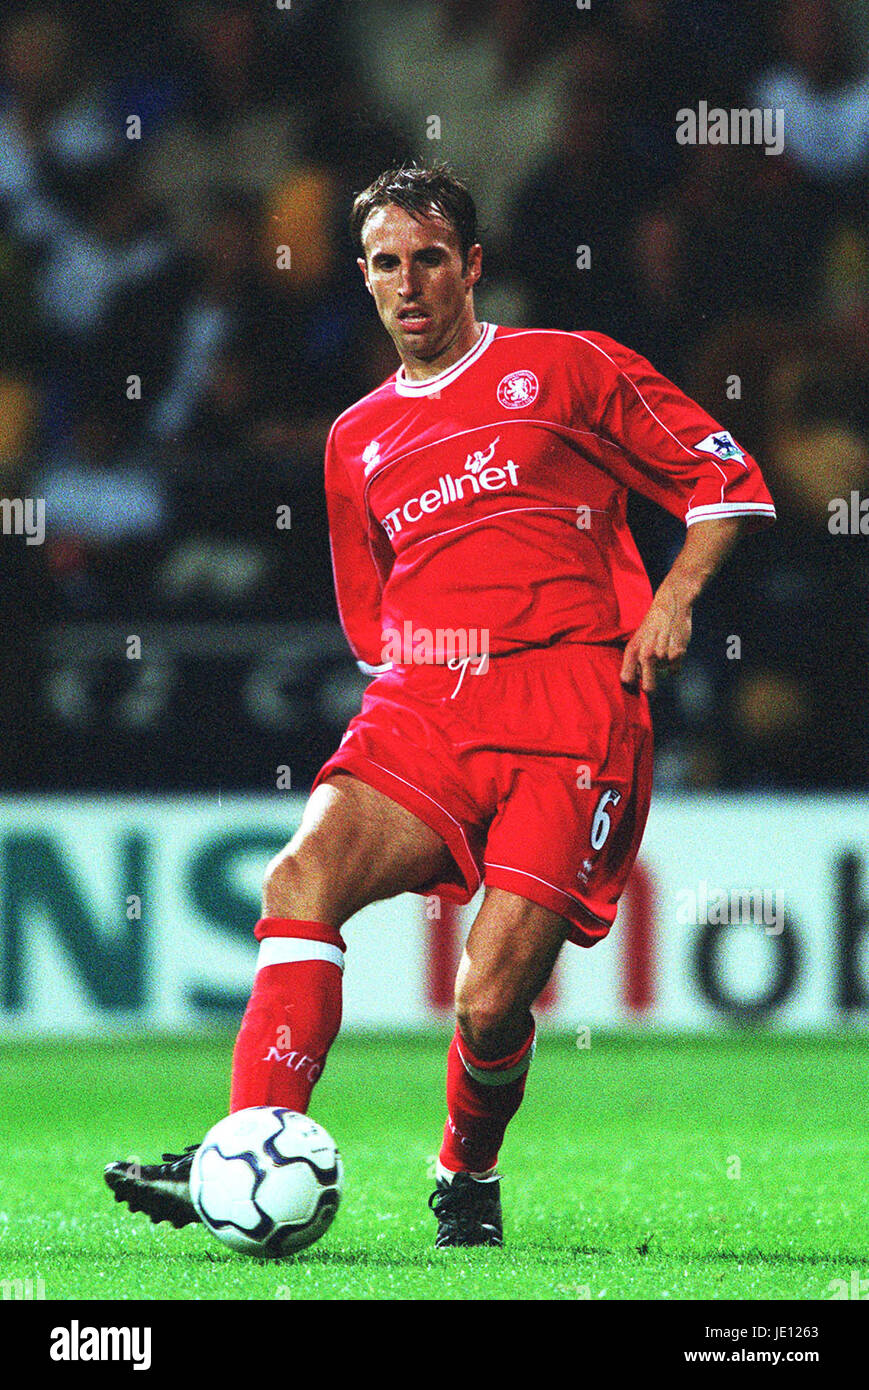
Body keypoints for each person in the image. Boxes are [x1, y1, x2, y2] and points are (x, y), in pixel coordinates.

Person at [105, 164, 775, 1248]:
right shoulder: (353, 442)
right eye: (383, 263)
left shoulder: (560, 367)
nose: (407, 284)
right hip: (429, 703)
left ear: (468, 265)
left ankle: (465, 1168)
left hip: (570, 704)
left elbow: (724, 481)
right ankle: (246, 1143)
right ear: (363, 278)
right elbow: (375, 627)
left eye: (428, 259)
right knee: (300, 874)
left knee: (488, 1003)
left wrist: (673, 598)